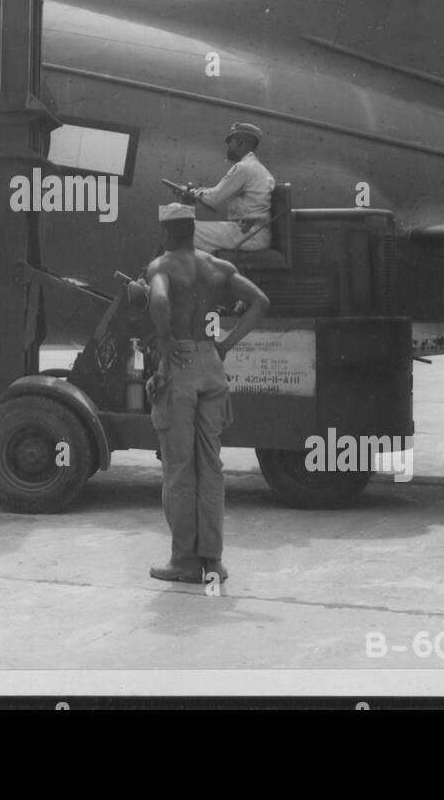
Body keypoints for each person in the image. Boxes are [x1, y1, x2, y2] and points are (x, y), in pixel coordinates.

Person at [143, 203, 271, 584]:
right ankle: (212, 562)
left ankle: (184, 561)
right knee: (210, 468)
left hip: (180, 364)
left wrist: (165, 341)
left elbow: (160, 299)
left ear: (167, 233)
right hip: (211, 363)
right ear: (193, 230)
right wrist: (227, 343)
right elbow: (261, 302)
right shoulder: (217, 267)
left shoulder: (162, 266)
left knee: (180, 470)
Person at [182, 121, 276, 253]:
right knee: (188, 227)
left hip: (249, 234)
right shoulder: (259, 169)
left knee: (183, 228)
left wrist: (193, 193)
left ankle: (187, 270)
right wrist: (199, 193)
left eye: (230, 142)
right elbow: (218, 196)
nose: (228, 146)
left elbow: (213, 198)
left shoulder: (243, 168)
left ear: (240, 142)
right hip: (253, 232)